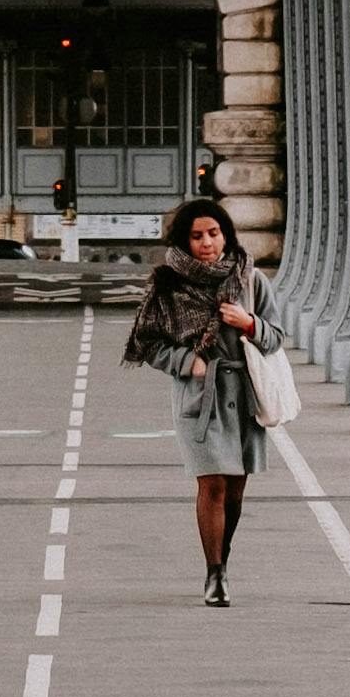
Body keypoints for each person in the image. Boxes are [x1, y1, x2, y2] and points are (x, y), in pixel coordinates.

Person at [125, 187, 265, 604]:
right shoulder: (167, 285)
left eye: (214, 233)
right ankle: (215, 574)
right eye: (197, 236)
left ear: (227, 236)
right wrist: (189, 363)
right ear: (183, 241)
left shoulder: (250, 280)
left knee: (236, 490)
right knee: (213, 485)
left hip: (246, 396)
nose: (207, 243)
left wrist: (250, 323)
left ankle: (223, 556)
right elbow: (146, 343)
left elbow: (278, 337)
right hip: (198, 399)